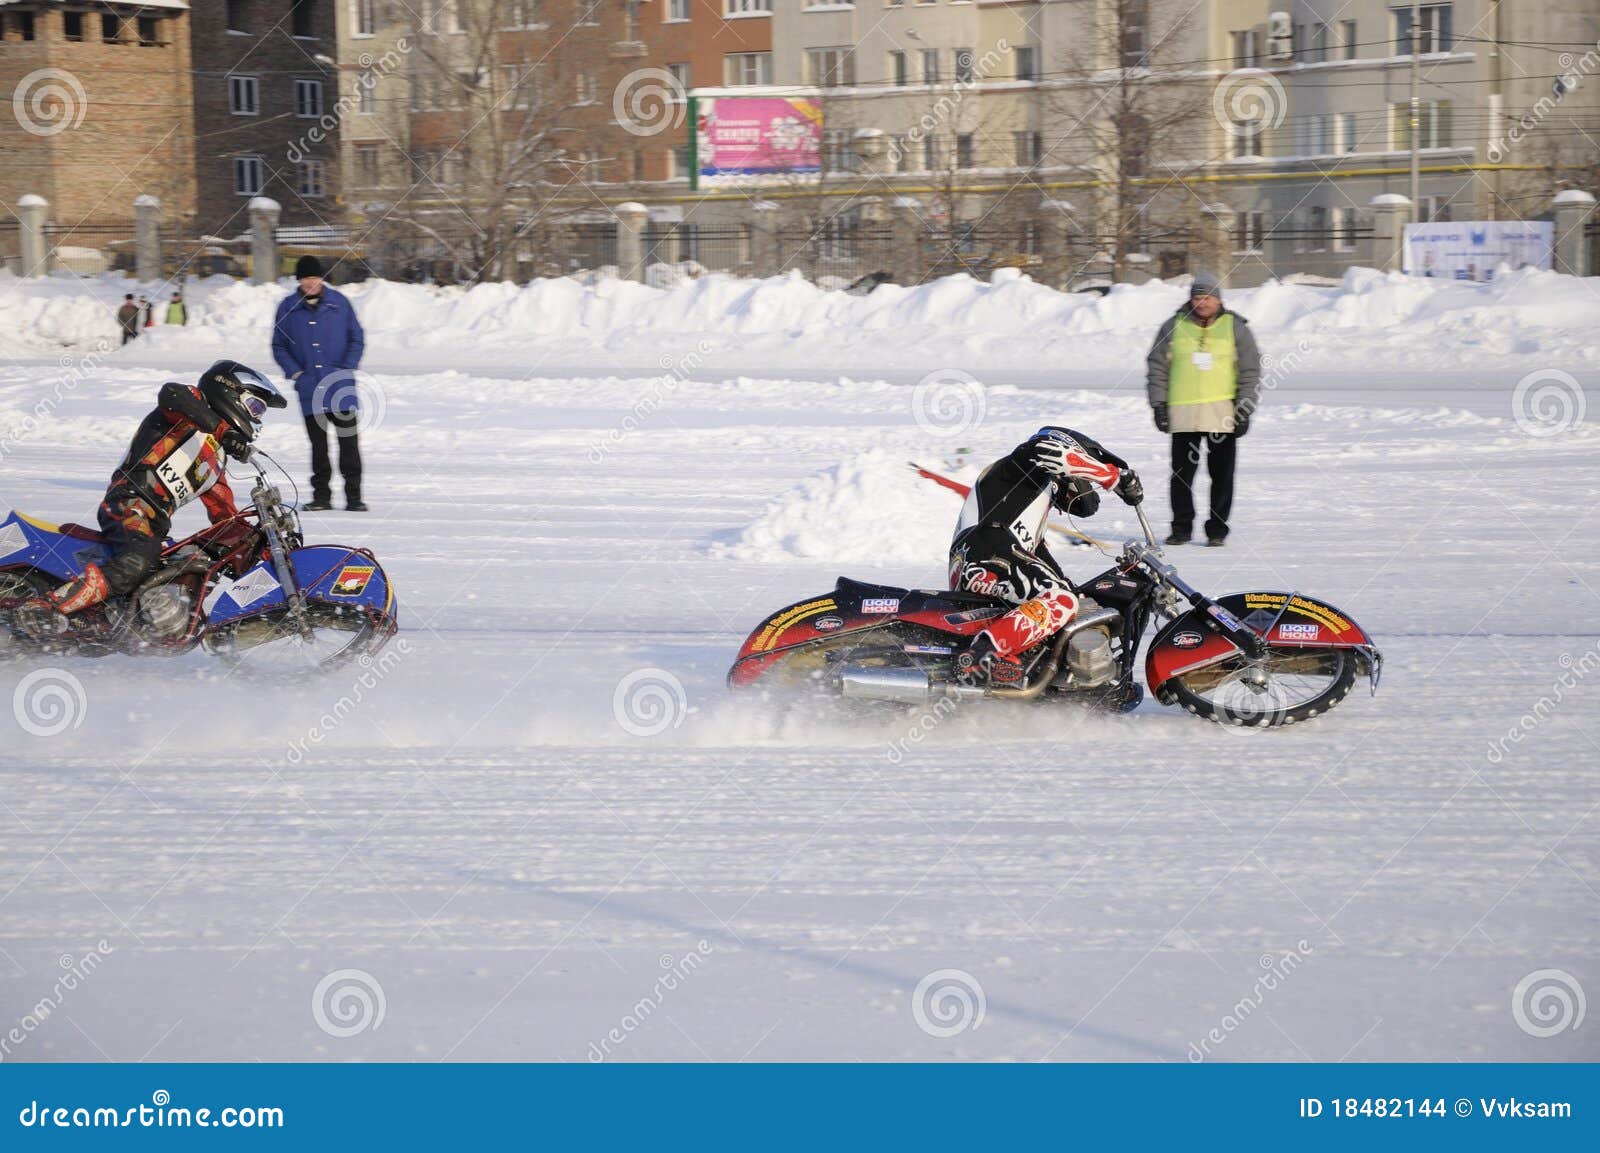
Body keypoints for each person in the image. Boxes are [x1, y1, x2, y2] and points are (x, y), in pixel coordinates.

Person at [15, 361, 287, 634]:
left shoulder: (214, 461)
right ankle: (49, 607)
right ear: (228, 392)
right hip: (128, 504)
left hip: (154, 526)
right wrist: (222, 430)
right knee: (139, 558)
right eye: (255, 407)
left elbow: (225, 517)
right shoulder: (187, 409)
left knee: (182, 567)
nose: (256, 418)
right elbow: (172, 394)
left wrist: (266, 543)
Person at [948, 426, 1143, 688]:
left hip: (990, 558)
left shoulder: (1028, 510)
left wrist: (1081, 597)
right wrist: (1111, 477)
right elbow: (1047, 450)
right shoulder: (1023, 463)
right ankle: (982, 655)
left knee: (1069, 601)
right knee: (1061, 600)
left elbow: (1044, 565)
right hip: (984, 555)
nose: (1083, 493)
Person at [1145, 272, 1260, 547]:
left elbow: (1249, 371)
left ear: (1218, 300)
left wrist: (1244, 408)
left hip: (1222, 413)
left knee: (1221, 476)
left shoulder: (1236, 328)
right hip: (1183, 414)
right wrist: (1159, 404)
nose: (1202, 302)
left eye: (1208, 297)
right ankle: (1181, 529)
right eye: (1197, 297)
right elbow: (1157, 367)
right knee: (1181, 476)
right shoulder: (1172, 326)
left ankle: (1217, 530)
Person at [272, 255, 367, 512]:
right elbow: (279, 346)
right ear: (299, 281)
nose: (310, 283)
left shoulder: (340, 303)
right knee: (319, 448)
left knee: (349, 445)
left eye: (314, 278)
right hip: (309, 391)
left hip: (341, 389)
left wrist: (346, 368)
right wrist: (296, 374)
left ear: (322, 279)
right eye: (305, 279)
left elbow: (356, 338)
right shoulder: (288, 308)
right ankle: (321, 497)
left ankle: (354, 497)